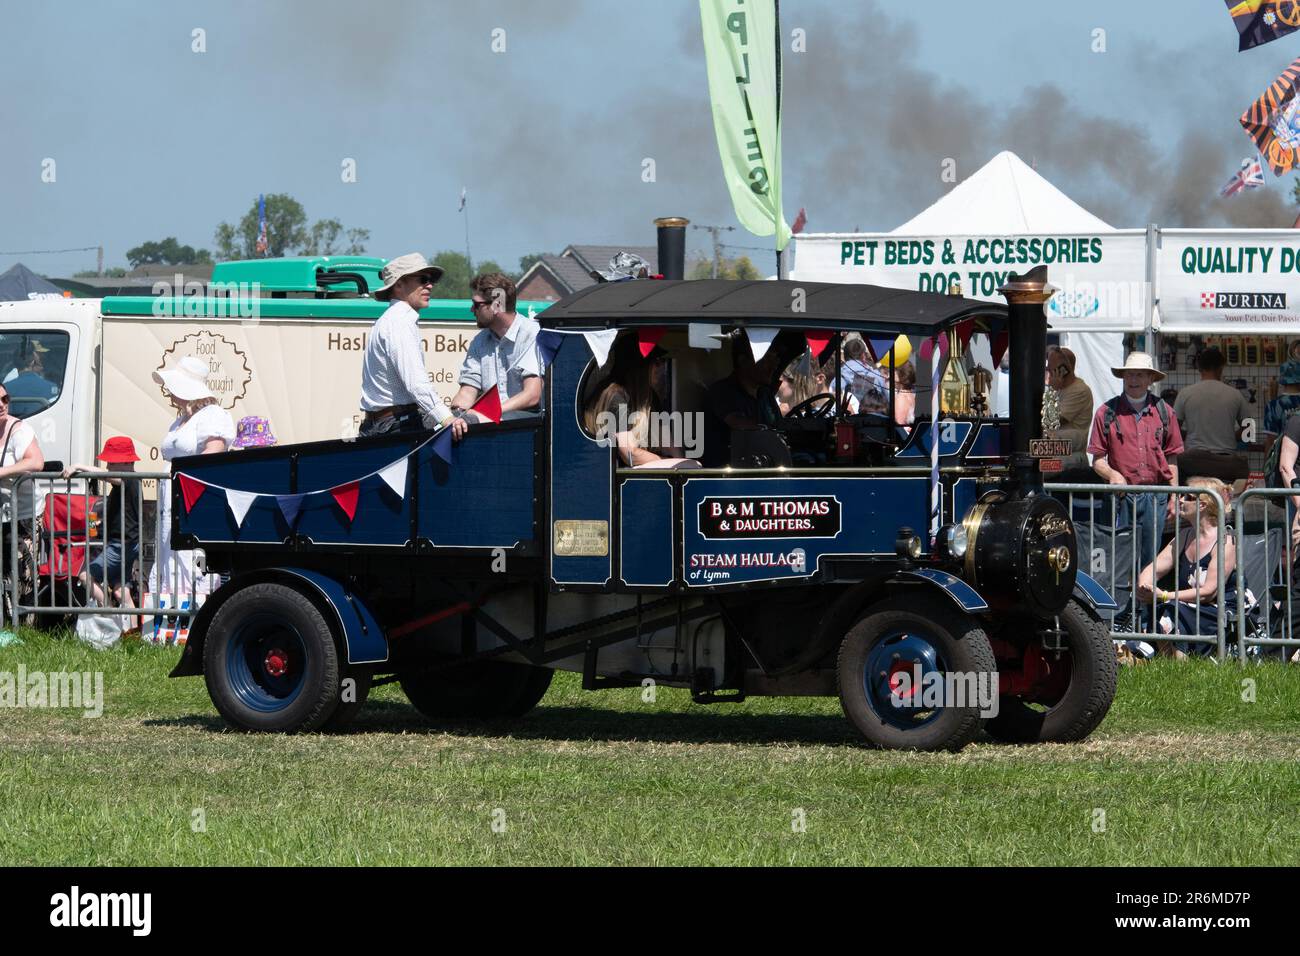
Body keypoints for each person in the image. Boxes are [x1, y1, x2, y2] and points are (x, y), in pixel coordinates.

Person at [1087, 352, 1184, 592]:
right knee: (1118, 554)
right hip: (1121, 498)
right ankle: (1119, 611)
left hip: (1155, 495)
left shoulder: (1165, 412)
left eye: (1140, 374)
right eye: (1129, 374)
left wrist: (1173, 495)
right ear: (1123, 377)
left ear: (1150, 378)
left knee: (1150, 558)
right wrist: (1113, 475)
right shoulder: (1105, 412)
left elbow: (1172, 458)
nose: (1134, 379)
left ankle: (1144, 615)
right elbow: (1097, 460)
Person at [148, 355, 235, 604]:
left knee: (192, 552)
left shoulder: (213, 415)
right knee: (169, 549)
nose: (169, 392)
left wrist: (185, 478)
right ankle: (170, 609)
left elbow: (213, 452)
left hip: (194, 495)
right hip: (171, 498)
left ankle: (196, 609)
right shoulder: (179, 420)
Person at [1135, 477, 1236, 659]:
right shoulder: (1184, 536)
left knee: (1171, 608)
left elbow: (1209, 593)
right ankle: (1171, 664)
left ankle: (1179, 667)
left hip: (1221, 608)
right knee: (1161, 607)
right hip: (1190, 605)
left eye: (1187, 497)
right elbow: (1154, 569)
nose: (1180, 500)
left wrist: (1164, 595)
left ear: (1203, 505)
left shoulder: (1225, 541)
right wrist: (1144, 587)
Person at [358, 253, 454, 437]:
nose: (430, 285)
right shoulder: (400, 321)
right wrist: (447, 419)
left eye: (431, 280)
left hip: (384, 425)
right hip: (395, 426)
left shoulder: (391, 319)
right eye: (423, 279)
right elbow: (416, 384)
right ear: (399, 285)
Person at [449, 273, 542, 440]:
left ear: (497, 305)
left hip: (530, 432)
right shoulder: (480, 341)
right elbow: (467, 391)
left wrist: (486, 412)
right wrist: (454, 416)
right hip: (492, 429)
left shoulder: (531, 334)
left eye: (476, 305)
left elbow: (532, 395)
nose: (472, 310)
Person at [584, 337, 689, 467]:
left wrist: (683, 464)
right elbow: (630, 454)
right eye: (656, 361)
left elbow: (668, 444)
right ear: (640, 366)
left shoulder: (650, 398)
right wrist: (671, 463)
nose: (661, 367)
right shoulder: (616, 397)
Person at [63, 437, 140, 611]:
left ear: (126, 462)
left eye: (111, 463)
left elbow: (106, 476)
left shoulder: (128, 479)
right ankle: (135, 634)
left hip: (121, 545)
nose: (107, 467)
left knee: (85, 576)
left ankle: (107, 613)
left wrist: (79, 466)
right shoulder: (131, 481)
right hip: (128, 543)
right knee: (121, 592)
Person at [702, 332, 784, 467]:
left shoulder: (765, 394)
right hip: (728, 476)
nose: (774, 365)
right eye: (768, 358)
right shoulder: (722, 391)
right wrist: (769, 432)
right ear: (743, 361)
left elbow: (778, 425)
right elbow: (741, 425)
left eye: (776, 358)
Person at [1173, 347, 1251, 485]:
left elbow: (1174, 429)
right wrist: (1229, 435)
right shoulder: (1235, 395)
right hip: (1226, 464)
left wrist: (1191, 433)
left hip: (1193, 462)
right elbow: (1249, 432)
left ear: (1199, 368)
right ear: (1221, 368)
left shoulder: (1185, 394)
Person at [0, 382, 47, 593]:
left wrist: (2, 472)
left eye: (5, 399)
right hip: (3, 514)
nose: (2, 405)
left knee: (22, 575)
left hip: (25, 516)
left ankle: (25, 624)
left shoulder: (19, 429)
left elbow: (36, 462)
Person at [1044, 346, 1094, 467]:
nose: (1048, 373)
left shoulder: (1079, 390)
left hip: (1070, 453)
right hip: (1057, 449)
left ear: (1062, 370)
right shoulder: (1062, 388)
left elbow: (1051, 422)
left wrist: (1051, 390)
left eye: (1050, 370)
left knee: (1040, 470)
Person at [891, 360, 917, 429]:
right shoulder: (910, 394)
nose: (890, 375)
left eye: (894, 371)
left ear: (901, 374)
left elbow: (900, 425)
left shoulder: (901, 397)